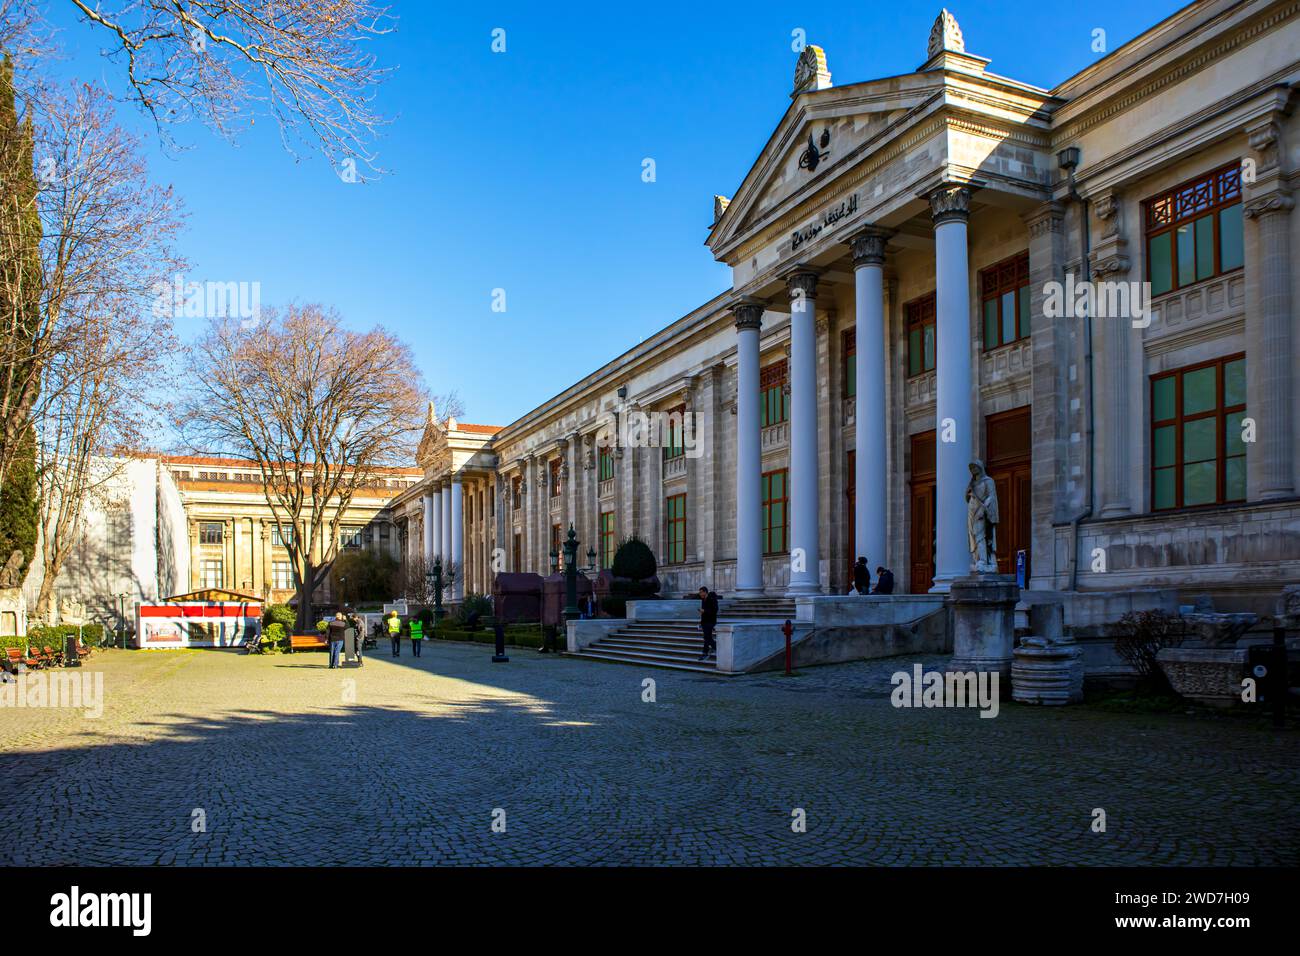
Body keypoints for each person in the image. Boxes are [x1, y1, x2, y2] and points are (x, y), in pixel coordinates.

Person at [698, 586, 719, 660]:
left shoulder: (712, 599)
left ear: (705, 592)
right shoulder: (703, 600)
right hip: (704, 621)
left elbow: (715, 610)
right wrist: (701, 622)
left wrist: (705, 611)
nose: (700, 594)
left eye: (701, 592)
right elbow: (704, 611)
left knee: (707, 637)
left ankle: (716, 648)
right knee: (707, 638)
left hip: (710, 621)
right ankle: (705, 653)